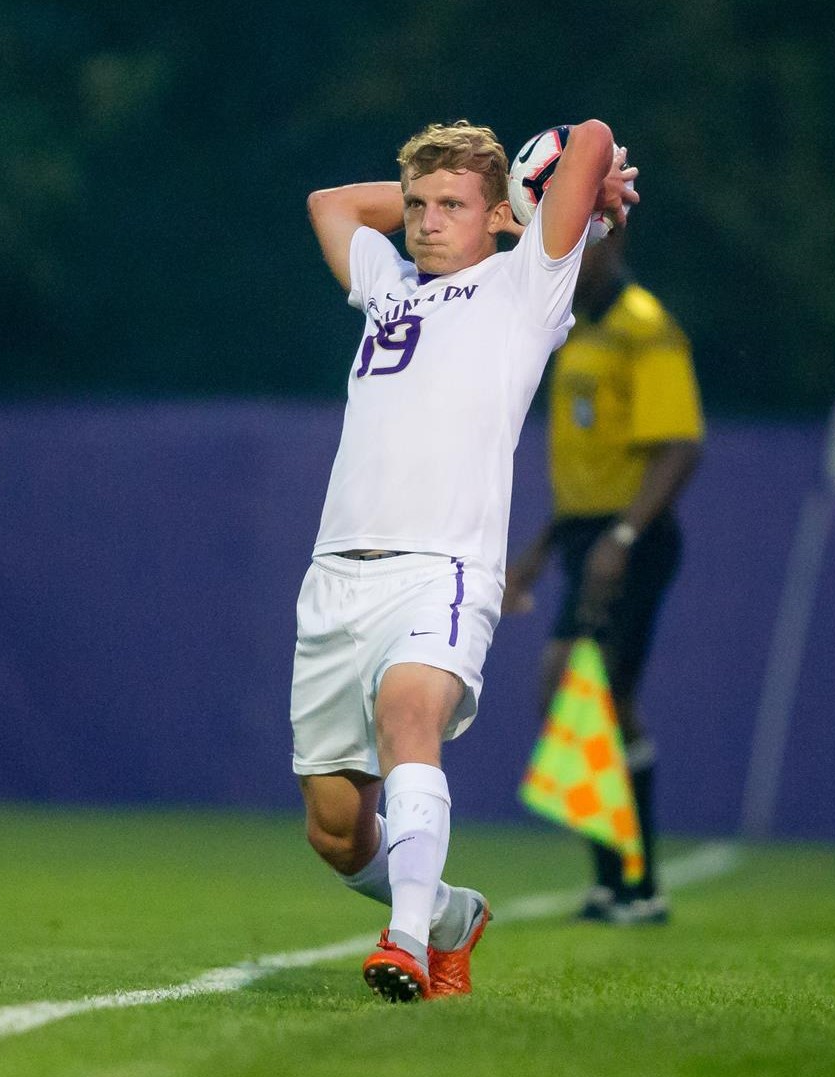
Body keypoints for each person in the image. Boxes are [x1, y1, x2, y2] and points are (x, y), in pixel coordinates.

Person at [296, 119, 637, 1002]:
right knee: (336, 834)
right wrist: (462, 192)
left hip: (440, 568)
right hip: (336, 576)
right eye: (417, 206)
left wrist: (533, 205)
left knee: (409, 716)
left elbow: (592, 139)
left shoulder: (523, 288)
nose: (425, 220)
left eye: (451, 205)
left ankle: (407, 939)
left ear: (496, 217)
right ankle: (449, 914)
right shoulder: (388, 286)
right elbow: (330, 205)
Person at [505, 217, 703, 925]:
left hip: (633, 535)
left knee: (591, 695)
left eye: (579, 245)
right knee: (578, 697)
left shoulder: (644, 326)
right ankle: (614, 883)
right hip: (585, 533)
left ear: (612, 241)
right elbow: (584, 468)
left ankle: (639, 887)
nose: (565, 258)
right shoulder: (577, 330)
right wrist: (540, 550)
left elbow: (679, 447)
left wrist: (622, 537)